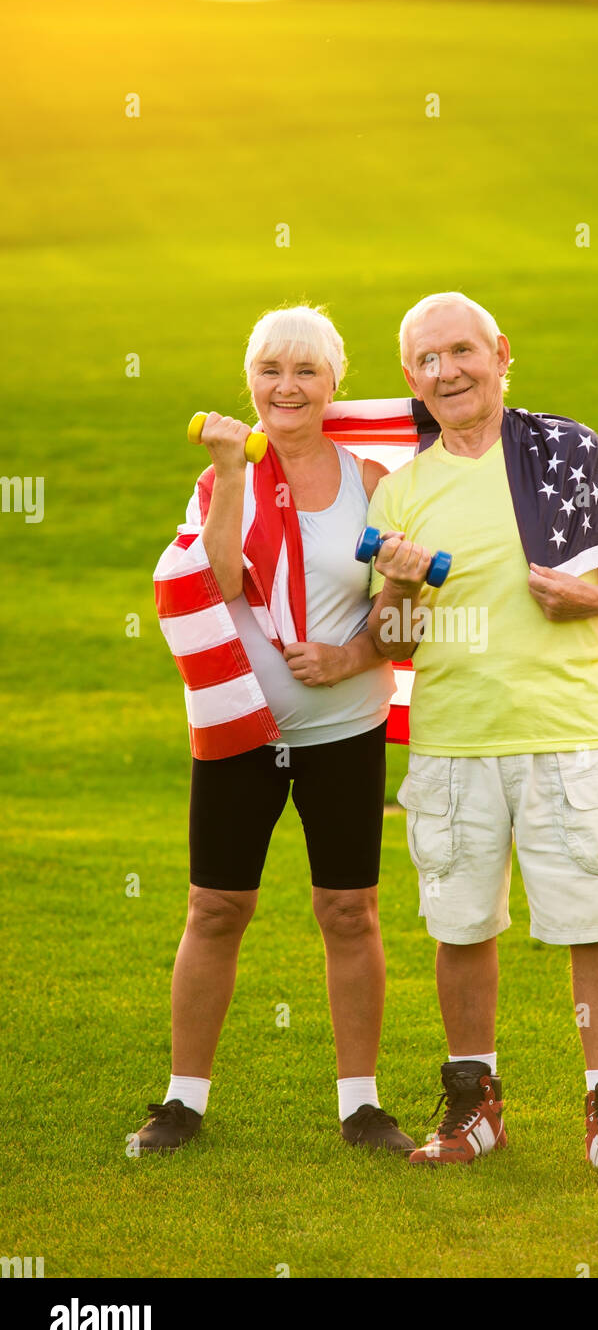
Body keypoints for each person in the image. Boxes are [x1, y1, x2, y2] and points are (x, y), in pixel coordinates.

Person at [366, 292, 598, 1183]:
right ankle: (475, 1108)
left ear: (501, 353)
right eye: (426, 361)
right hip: (454, 744)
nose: (446, 372)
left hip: (565, 735)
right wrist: (390, 590)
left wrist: (597, 597)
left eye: (461, 351)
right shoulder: (403, 490)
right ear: (409, 377)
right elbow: (390, 648)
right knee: (461, 929)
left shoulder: (560, 455)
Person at [140, 305, 415, 1154]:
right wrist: (228, 471)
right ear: (248, 381)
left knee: (349, 911)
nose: (285, 387)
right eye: (269, 371)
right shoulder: (228, 473)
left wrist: (354, 651)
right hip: (240, 736)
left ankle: (360, 1106)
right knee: (216, 907)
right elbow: (223, 576)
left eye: (305, 372)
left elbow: (403, 629)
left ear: (334, 384)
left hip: (345, 727)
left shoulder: (372, 483)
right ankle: (182, 1102)